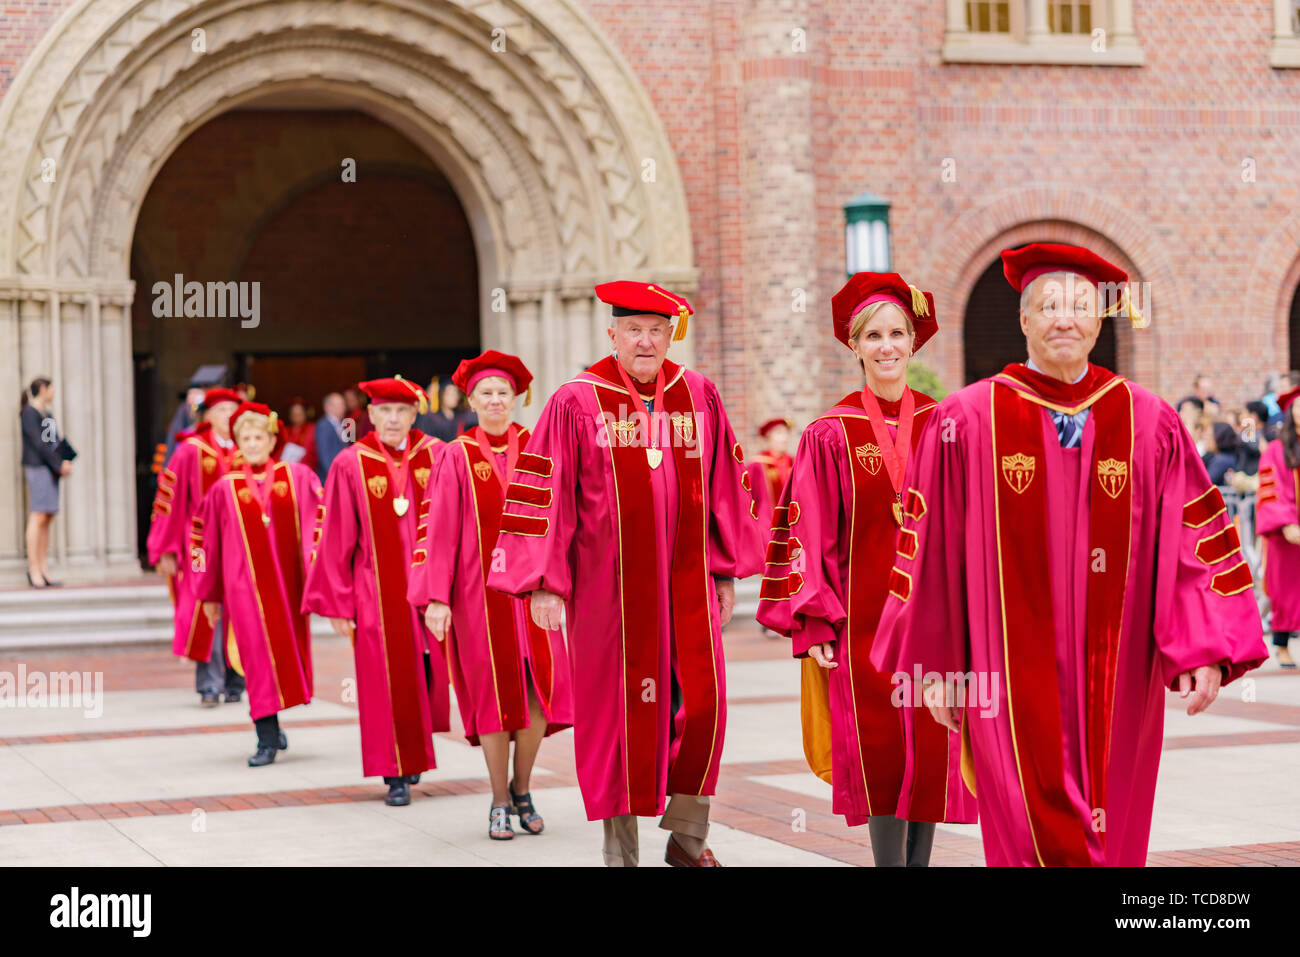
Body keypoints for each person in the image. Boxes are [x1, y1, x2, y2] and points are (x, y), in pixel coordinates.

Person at [871, 242, 1267, 866]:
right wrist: (936, 665)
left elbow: (1195, 536)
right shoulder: (967, 421)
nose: (1065, 318)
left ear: (1100, 319)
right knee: (1030, 826)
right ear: (1024, 320)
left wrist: (1204, 648)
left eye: (1080, 305)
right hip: (1002, 673)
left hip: (1121, 670)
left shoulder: (1148, 421)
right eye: (1048, 305)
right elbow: (930, 550)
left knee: (1116, 823)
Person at [488, 281, 766, 867]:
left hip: (688, 585)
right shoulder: (576, 401)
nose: (646, 341)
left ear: (672, 334)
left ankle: (688, 841)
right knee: (616, 719)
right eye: (634, 329)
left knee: (704, 707)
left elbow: (723, 486)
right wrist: (542, 580)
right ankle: (622, 853)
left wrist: (723, 571)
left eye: (657, 330)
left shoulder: (700, 396)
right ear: (612, 334)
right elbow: (547, 491)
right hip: (605, 594)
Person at [756, 273, 975, 865]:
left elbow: (974, 525)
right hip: (863, 621)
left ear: (913, 341)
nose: (886, 346)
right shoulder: (831, 434)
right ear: (855, 345)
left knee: (936, 742)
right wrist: (815, 622)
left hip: (937, 619)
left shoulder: (947, 424)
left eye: (897, 333)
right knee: (879, 748)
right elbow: (808, 531)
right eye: (873, 335)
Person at [409, 351, 573, 840]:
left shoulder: (539, 448)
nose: (496, 401)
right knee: (494, 701)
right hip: (476, 597)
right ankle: (499, 799)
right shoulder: (454, 456)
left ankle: (523, 789)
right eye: (486, 394)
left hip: (535, 596)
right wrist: (436, 597)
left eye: (504, 393)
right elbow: (438, 531)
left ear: (517, 398)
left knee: (539, 698)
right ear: (471, 401)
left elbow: (562, 519)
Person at [302, 376, 450, 806]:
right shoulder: (351, 463)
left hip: (428, 590)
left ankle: (415, 752)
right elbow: (335, 535)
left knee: (425, 677)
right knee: (383, 681)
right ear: (369, 415)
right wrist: (336, 600)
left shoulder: (436, 455)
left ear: (414, 414)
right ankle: (395, 772)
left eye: (402, 411)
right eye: (384, 410)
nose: (393, 419)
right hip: (374, 591)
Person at [187, 402, 320, 764]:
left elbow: (318, 525)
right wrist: (209, 594)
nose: (252, 443)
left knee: (285, 659)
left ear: (272, 438)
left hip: (287, 588)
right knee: (256, 661)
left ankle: (273, 728)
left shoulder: (298, 478)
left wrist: (317, 578)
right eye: (245, 438)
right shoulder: (224, 490)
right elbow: (204, 542)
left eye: (258, 436)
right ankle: (265, 737)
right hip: (243, 591)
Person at [147, 387, 246, 707]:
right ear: (206, 416)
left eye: (233, 410)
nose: (228, 416)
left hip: (241, 547)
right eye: (221, 411)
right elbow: (169, 500)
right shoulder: (191, 450)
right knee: (206, 612)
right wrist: (165, 548)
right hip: (199, 547)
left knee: (241, 613)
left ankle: (236, 680)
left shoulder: (248, 449)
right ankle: (209, 684)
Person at [1256, 386, 1300, 669]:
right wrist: (1286, 522)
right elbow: (1272, 489)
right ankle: (1282, 644)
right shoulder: (1276, 450)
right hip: (1288, 533)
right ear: (1290, 413)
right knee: (1287, 589)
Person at [20, 377, 73, 588]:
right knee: (38, 514)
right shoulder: (29, 413)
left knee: (48, 516)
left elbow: (54, 442)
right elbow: (39, 445)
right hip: (38, 468)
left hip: (51, 469)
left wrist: (66, 459)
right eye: (51, 389)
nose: (53, 393)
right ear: (43, 389)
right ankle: (34, 569)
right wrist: (58, 465)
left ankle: (44, 569)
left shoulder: (47, 414)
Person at [745, 417, 794, 534]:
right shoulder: (757, 465)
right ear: (768, 437)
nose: (784, 438)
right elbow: (748, 500)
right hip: (765, 529)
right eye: (779, 433)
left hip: (792, 529)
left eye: (786, 433)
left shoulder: (794, 463)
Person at [314, 392, 348, 482]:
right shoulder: (324, 426)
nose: (343, 408)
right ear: (328, 407)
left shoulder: (339, 424)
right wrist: (336, 477)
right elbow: (324, 456)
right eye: (340, 405)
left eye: (343, 404)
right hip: (330, 478)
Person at [279, 397, 318, 473]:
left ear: (305, 414)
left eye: (299, 414)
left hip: (306, 470)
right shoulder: (285, 431)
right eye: (294, 414)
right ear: (290, 415)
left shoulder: (312, 429)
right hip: (287, 469)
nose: (296, 417)